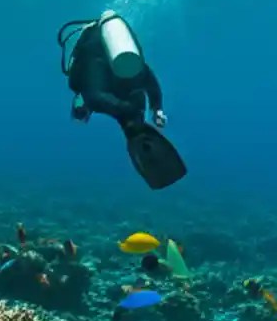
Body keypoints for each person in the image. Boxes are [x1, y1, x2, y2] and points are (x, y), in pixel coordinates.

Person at [58, 11, 187, 189]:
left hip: (113, 90)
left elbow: (96, 97)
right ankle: (132, 124)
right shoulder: (99, 59)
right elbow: (149, 83)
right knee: (121, 107)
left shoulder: (110, 62)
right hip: (115, 89)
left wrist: (153, 109)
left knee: (111, 104)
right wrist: (156, 109)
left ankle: (131, 124)